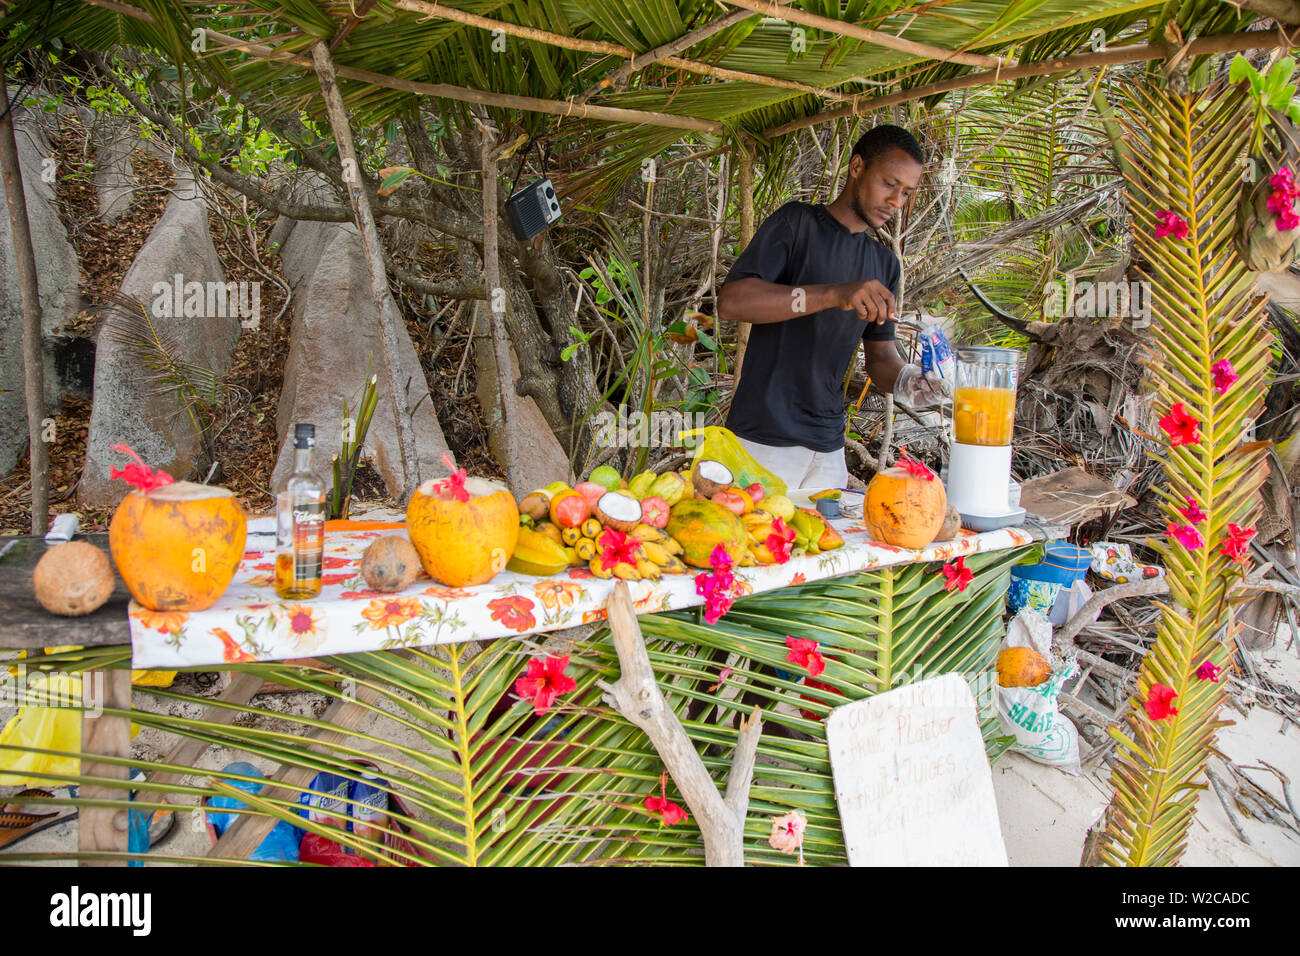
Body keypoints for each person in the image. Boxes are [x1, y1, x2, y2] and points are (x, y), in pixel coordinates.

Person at [717, 124, 946, 491]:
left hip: (828, 450)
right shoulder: (797, 224)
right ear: (857, 167)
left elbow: (881, 358)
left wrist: (909, 381)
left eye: (906, 193)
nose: (896, 202)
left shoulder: (884, 264)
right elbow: (732, 301)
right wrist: (832, 295)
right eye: (889, 184)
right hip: (762, 440)